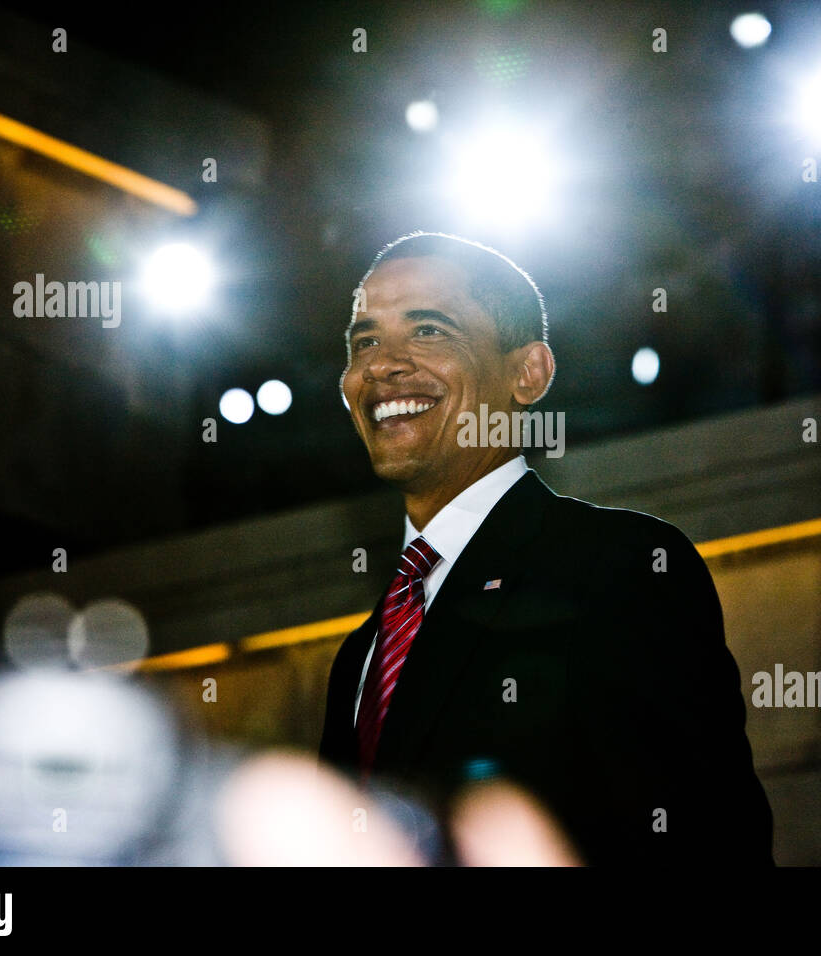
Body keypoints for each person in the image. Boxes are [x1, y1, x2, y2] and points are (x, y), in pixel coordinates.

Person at [318, 231, 773, 865]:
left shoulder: (620, 567)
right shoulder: (360, 658)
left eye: (428, 331)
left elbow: (706, 838)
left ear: (527, 374)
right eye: (364, 341)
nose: (381, 365)